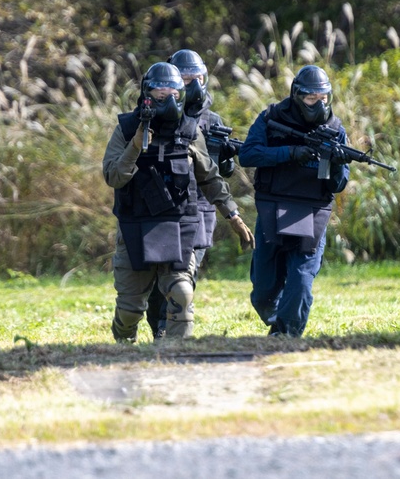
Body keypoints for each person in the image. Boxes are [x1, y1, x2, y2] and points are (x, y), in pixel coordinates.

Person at [103, 62, 254, 342]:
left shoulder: (190, 130)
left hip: (179, 226)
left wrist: (233, 215)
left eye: (174, 94)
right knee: (130, 310)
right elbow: (114, 176)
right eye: (161, 95)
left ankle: (177, 353)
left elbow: (210, 178)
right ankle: (123, 348)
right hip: (136, 226)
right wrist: (135, 145)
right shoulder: (126, 128)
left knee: (182, 293)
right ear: (147, 95)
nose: (168, 101)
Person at [238, 65, 350, 337]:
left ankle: (286, 335)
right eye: (312, 98)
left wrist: (336, 163)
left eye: (324, 98)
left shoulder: (335, 129)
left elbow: (338, 185)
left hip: (312, 210)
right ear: (297, 96)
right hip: (272, 206)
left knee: (300, 280)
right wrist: (290, 153)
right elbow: (248, 155)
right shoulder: (271, 117)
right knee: (263, 290)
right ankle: (278, 321)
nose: (319, 104)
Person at [145, 49, 241, 339]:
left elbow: (221, 173)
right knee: (156, 279)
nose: (194, 86)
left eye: (198, 78)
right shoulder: (151, 115)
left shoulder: (212, 119)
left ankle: (169, 329)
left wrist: (223, 155)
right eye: (186, 80)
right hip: (159, 206)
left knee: (186, 273)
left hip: (199, 208)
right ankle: (159, 324)